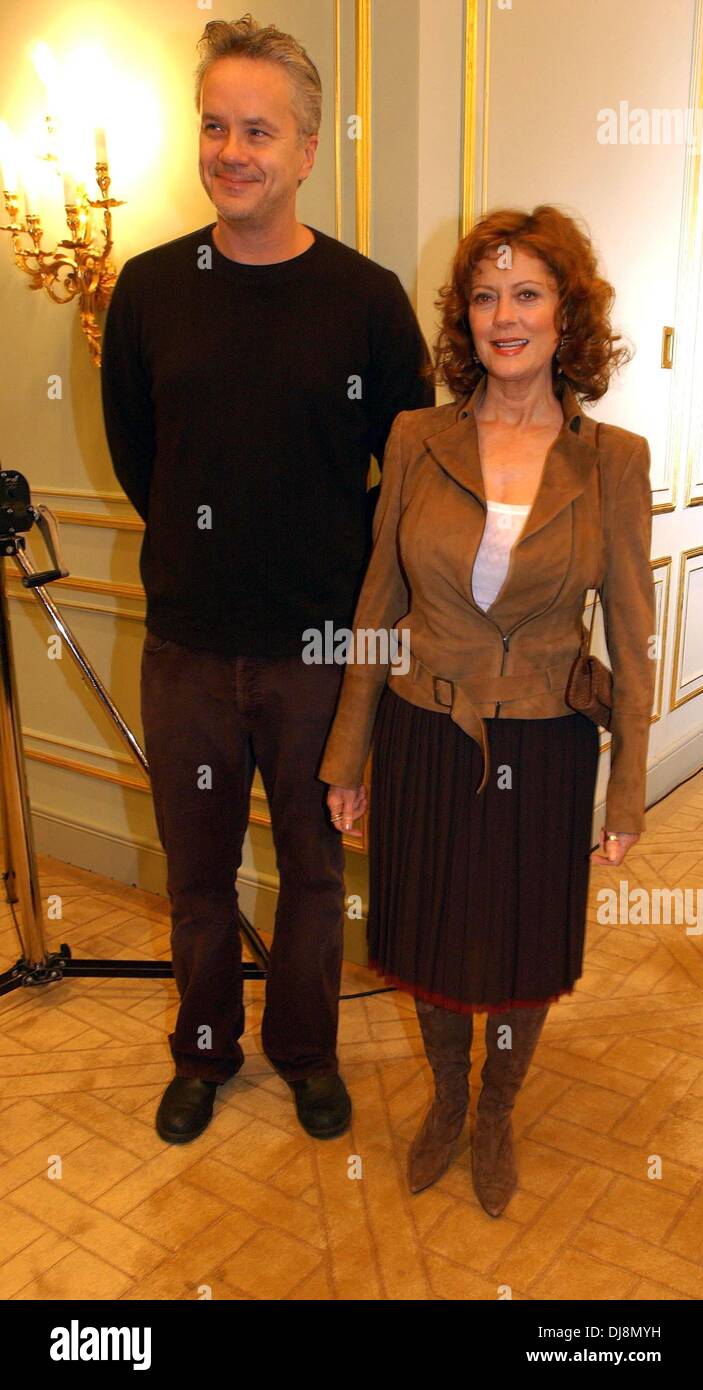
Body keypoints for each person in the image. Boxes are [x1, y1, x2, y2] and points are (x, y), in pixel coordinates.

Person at [100, 15, 433, 1145]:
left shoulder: (368, 299)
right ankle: (203, 1052)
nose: (230, 150)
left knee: (307, 872)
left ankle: (303, 1049)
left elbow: (410, 482)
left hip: (322, 654)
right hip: (187, 646)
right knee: (196, 877)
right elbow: (141, 454)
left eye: (257, 129)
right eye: (213, 126)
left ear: (305, 149)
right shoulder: (147, 289)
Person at [318, 204, 656, 1215]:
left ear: (567, 315)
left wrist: (627, 790)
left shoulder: (614, 460)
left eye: (527, 292)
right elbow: (376, 603)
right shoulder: (417, 437)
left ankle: (498, 1106)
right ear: (464, 320)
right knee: (423, 933)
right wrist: (347, 755)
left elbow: (634, 637)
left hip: (546, 744)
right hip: (422, 730)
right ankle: (445, 1100)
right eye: (484, 295)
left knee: (522, 946)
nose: (503, 314)